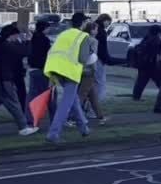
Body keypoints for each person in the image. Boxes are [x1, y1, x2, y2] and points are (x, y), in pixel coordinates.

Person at [45, 12, 93, 142]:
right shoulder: (83, 36)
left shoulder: (63, 34)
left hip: (54, 68)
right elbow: (83, 58)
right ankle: (53, 133)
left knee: (73, 100)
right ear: (83, 23)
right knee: (66, 103)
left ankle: (84, 128)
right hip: (70, 71)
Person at [77, 21, 107, 126]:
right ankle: (72, 116)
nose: (97, 31)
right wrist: (93, 68)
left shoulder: (81, 38)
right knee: (82, 94)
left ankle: (100, 116)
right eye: (96, 29)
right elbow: (92, 56)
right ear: (92, 30)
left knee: (92, 95)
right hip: (89, 69)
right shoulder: (93, 41)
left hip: (81, 69)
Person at [130, 29, 161, 100]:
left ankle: (136, 97)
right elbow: (157, 53)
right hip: (151, 64)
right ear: (157, 33)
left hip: (142, 64)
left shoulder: (146, 39)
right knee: (160, 81)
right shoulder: (156, 40)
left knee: (140, 81)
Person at [93, 13, 115, 102]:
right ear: (105, 21)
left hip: (91, 58)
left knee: (93, 82)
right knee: (100, 82)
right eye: (108, 23)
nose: (108, 25)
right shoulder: (101, 31)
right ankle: (96, 104)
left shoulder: (92, 27)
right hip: (99, 59)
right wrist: (106, 59)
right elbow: (102, 48)